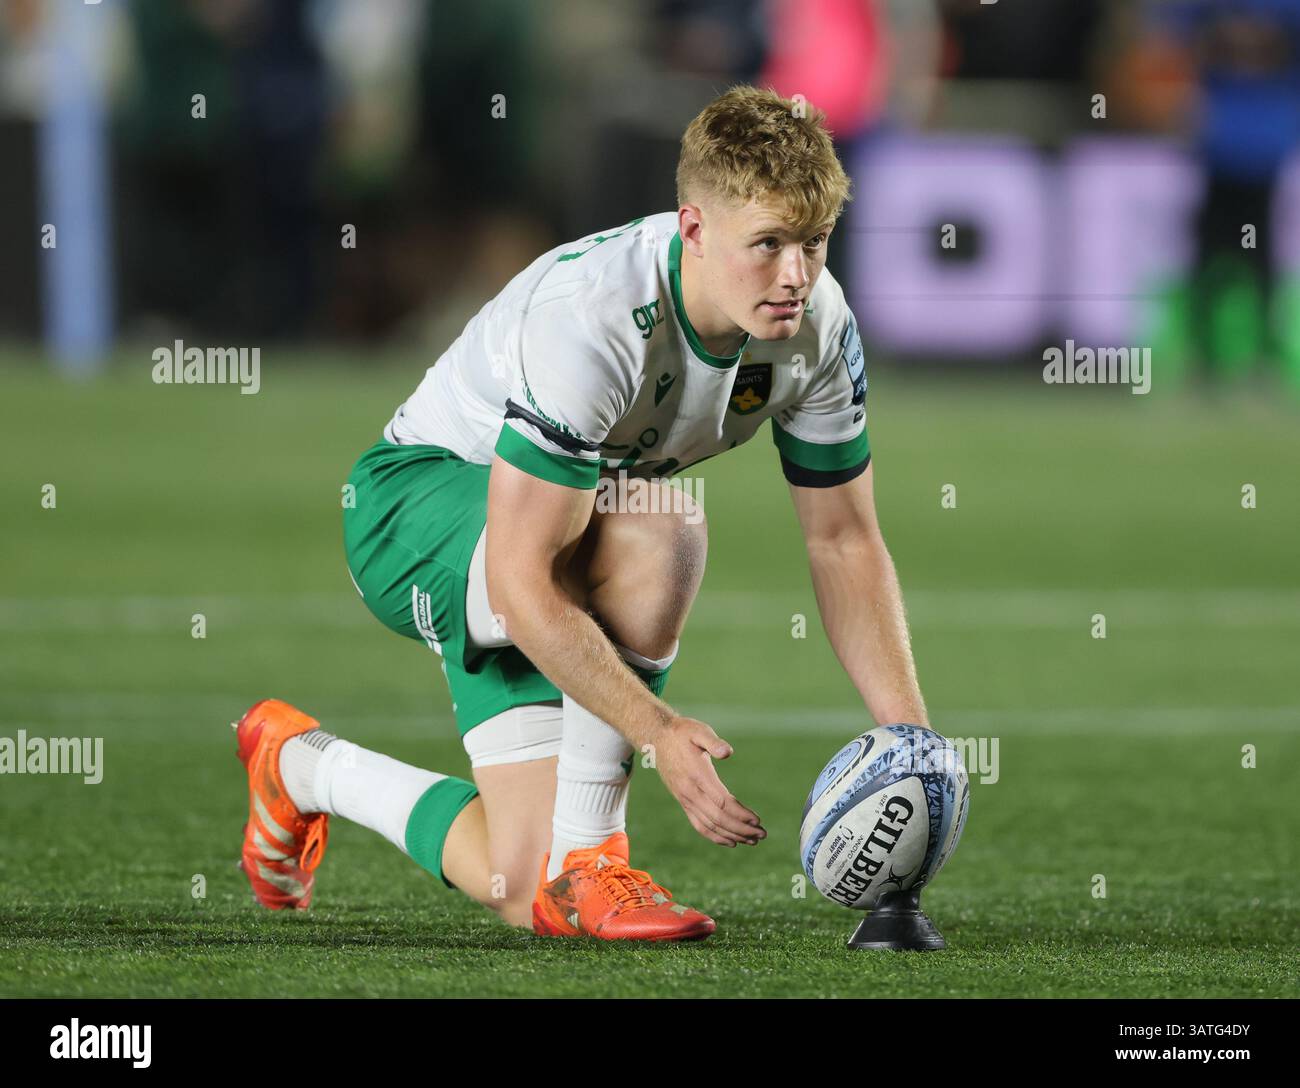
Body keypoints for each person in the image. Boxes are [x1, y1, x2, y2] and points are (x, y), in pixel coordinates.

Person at [233, 84, 929, 940]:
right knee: (662, 527)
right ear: (696, 229)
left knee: (513, 879)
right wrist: (657, 731)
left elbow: (844, 541)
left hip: (554, 544)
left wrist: (913, 747)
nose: (796, 275)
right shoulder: (598, 314)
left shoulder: (817, 327)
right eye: (770, 244)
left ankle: (299, 765)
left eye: (815, 244)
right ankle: (593, 863)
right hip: (414, 510)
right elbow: (522, 581)